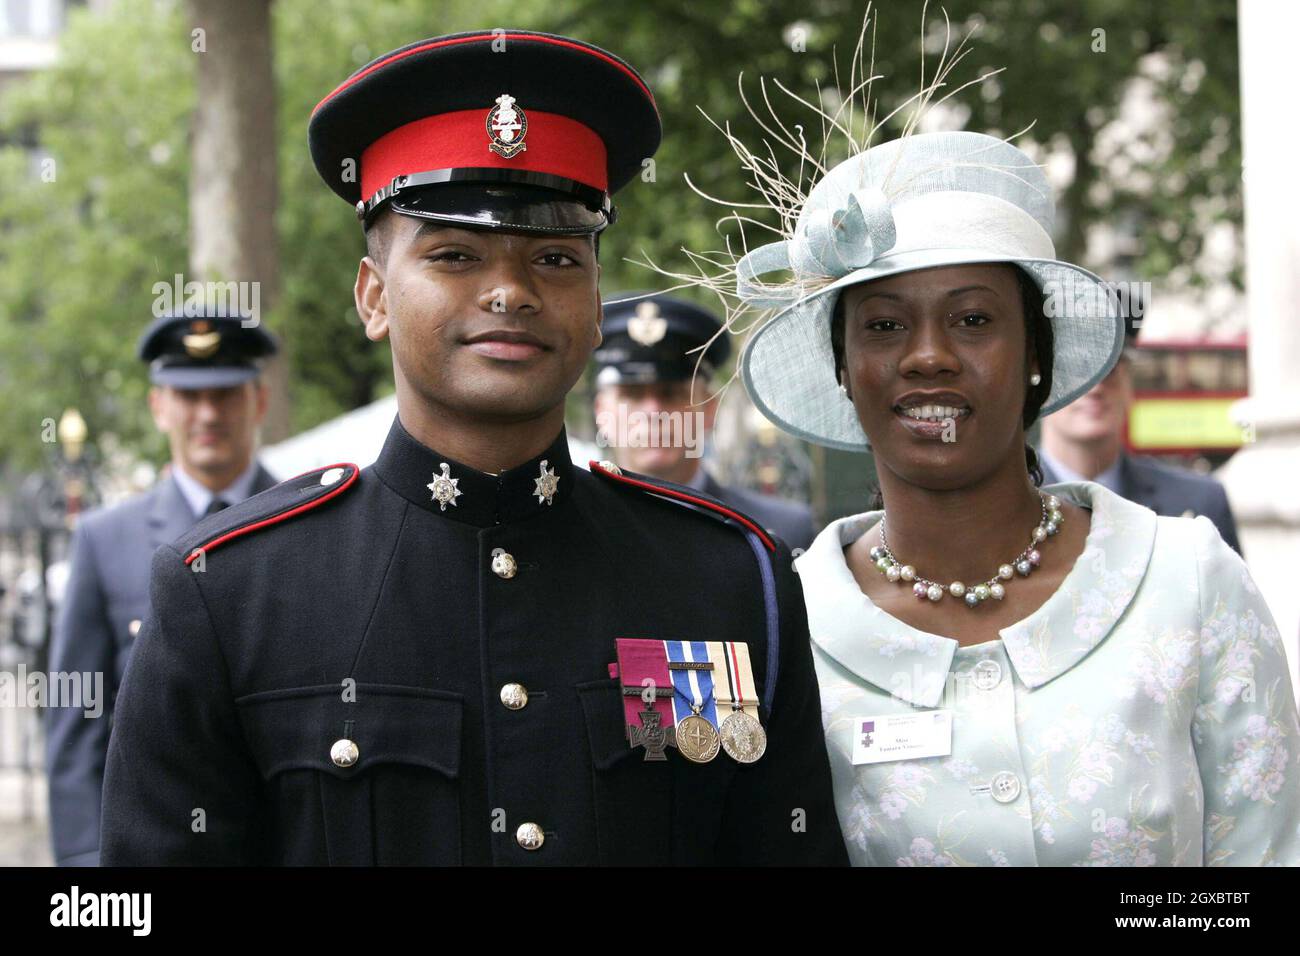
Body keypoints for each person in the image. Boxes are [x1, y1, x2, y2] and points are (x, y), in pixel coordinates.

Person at [99, 30, 847, 866]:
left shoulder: (726, 578)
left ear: (597, 304)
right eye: (454, 255)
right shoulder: (229, 593)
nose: (511, 292)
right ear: (374, 296)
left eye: (557, 258)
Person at [674, 101, 1300, 862]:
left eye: (973, 320)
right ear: (843, 367)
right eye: (883, 324)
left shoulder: (1189, 580)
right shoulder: (779, 629)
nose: (928, 355)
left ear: (1037, 349)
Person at [45, 310, 279, 866]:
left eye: (225, 394)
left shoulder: (314, 523)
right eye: (187, 395)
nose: (207, 413)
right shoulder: (104, 541)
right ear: (158, 407)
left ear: (259, 402)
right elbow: (77, 718)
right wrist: (86, 867)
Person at [593, 292, 816, 549]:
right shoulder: (568, 527)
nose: (653, 412)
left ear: (709, 409)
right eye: (631, 394)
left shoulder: (782, 533)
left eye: (671, 394)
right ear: (601, 411)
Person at [1037, 328, 1242, 554]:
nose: (1094, 388)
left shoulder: (1201, 502)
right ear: (1039, 381)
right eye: (1074, 370)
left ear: (1129, 382)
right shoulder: (1002, 504)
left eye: (1109, 368)